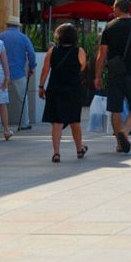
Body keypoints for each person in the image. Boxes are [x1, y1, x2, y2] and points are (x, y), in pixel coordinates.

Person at [93, 0, 131, 154]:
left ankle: (120, 144)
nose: (112, 10)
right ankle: (125, 131)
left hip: (114, 73)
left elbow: (101, 54)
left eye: (114, 7)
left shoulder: (109, 27)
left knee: (115, 109)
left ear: (119, 8)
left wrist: (97, 76)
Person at [38, 22, 87, 163]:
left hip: (55, 89)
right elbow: (82, 67)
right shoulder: (79, 51)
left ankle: (56, 153)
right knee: (74, 121)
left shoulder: (52, 51)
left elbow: (45, 70)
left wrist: (41, 86)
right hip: (73, 90)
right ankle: (79, 149)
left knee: (57, 122)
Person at [0, 18, 38, 131]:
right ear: (18, 26)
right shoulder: (23, 37)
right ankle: (24, 123)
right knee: (23, 98)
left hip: (2, 72)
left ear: (7, 25)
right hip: (19, 72)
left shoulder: (0, 37)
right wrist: (31, 66)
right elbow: (31, 53)